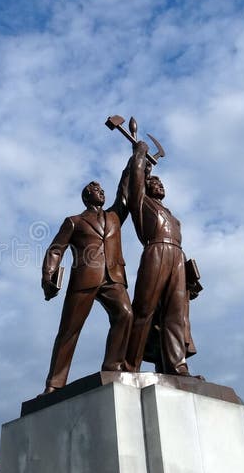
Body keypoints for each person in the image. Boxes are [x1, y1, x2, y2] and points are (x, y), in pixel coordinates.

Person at [41, 175, 132, 395]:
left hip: (113, 277)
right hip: (84, 277)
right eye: (95, 189)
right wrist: (48, 277)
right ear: (86, 195)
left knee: (125, 315)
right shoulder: (74, 221)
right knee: (70, 330)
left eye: (102, 189)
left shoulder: (114, 216)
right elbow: (56, 249)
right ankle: (54, 384)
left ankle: (113, 367)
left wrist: (135, 159)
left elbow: (125, 194)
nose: (101, 191)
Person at [124, 140, 196, 375]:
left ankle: (177, 366)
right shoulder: (141, 203)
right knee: (144, 310)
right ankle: (129, 365)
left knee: (175, 314)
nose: (159, 184)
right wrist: (140, 154)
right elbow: (135, 180)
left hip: (177, 255)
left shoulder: (172, 216)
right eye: (154, 182)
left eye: (161, 182)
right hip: (156, 251)